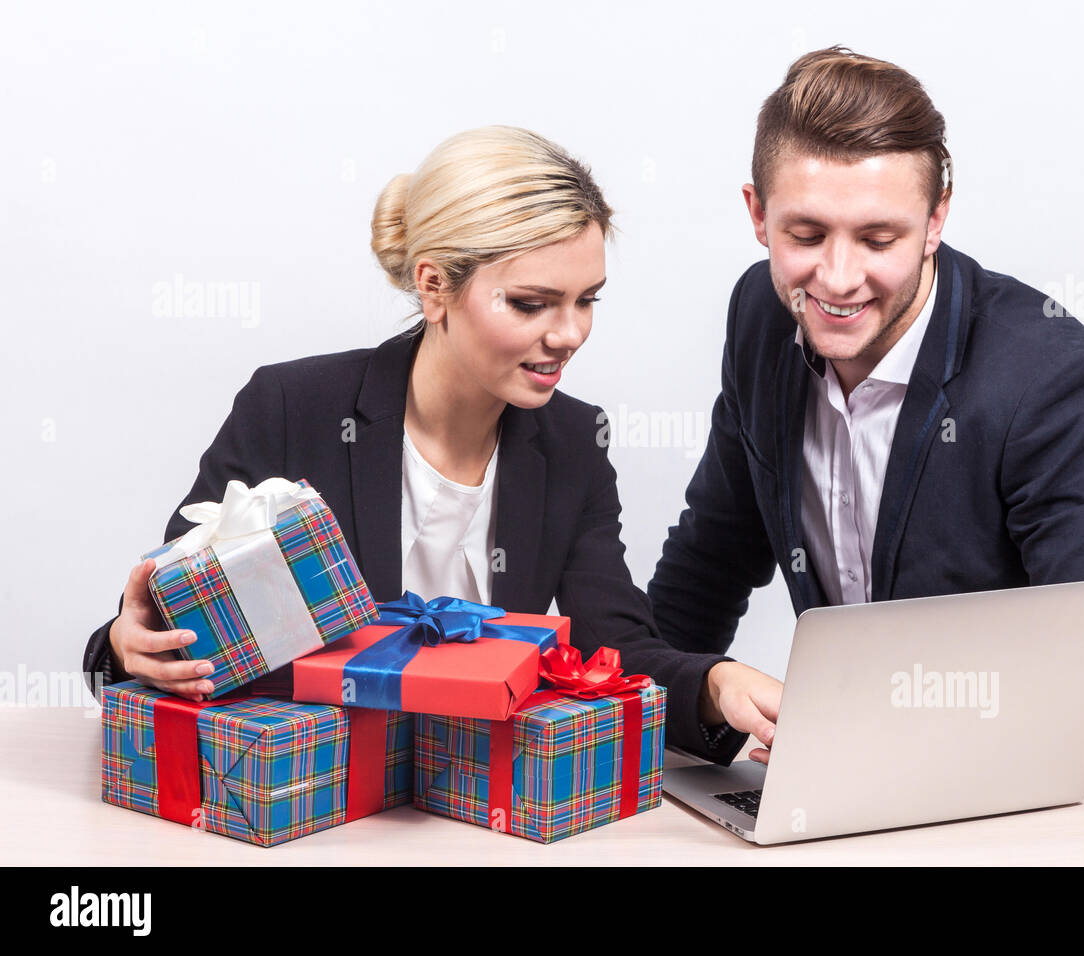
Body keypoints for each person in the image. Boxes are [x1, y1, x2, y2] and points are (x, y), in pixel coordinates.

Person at [81, 125, 773, 760]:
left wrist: (718, 683)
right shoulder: (293, 408)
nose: (568, 333)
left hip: (476, 800)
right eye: (532, 303)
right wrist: (121, 642)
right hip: (305, 793)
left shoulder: (572, 441)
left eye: (587, 299)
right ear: (434, 285)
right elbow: (168, 618)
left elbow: (617, 647)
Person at [647, 47, 1084, 765]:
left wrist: (857, 727)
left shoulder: (1052, 381)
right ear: (757, 214)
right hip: (852, 781)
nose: (835, 277)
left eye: (878, 238)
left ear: (934, 222)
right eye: (805, 234)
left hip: (1051, 783)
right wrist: (644, 702)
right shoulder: (761, 317)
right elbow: (710, 560)